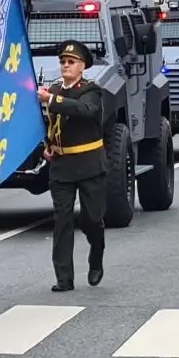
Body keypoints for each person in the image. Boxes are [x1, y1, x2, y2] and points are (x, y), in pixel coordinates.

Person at [37, 40, 107, 291]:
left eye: (71, 62)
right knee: (62, 221)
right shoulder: (55, 90)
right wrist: (46, 146)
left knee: (92, 219)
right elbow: (48, 124)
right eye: (63, 62)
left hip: (89, 164)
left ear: (82, 67)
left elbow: (85, 111)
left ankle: (96, 255)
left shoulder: (90, 90)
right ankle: (64, 278)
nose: (66, 66)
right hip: (62, 166)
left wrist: (52, 100)